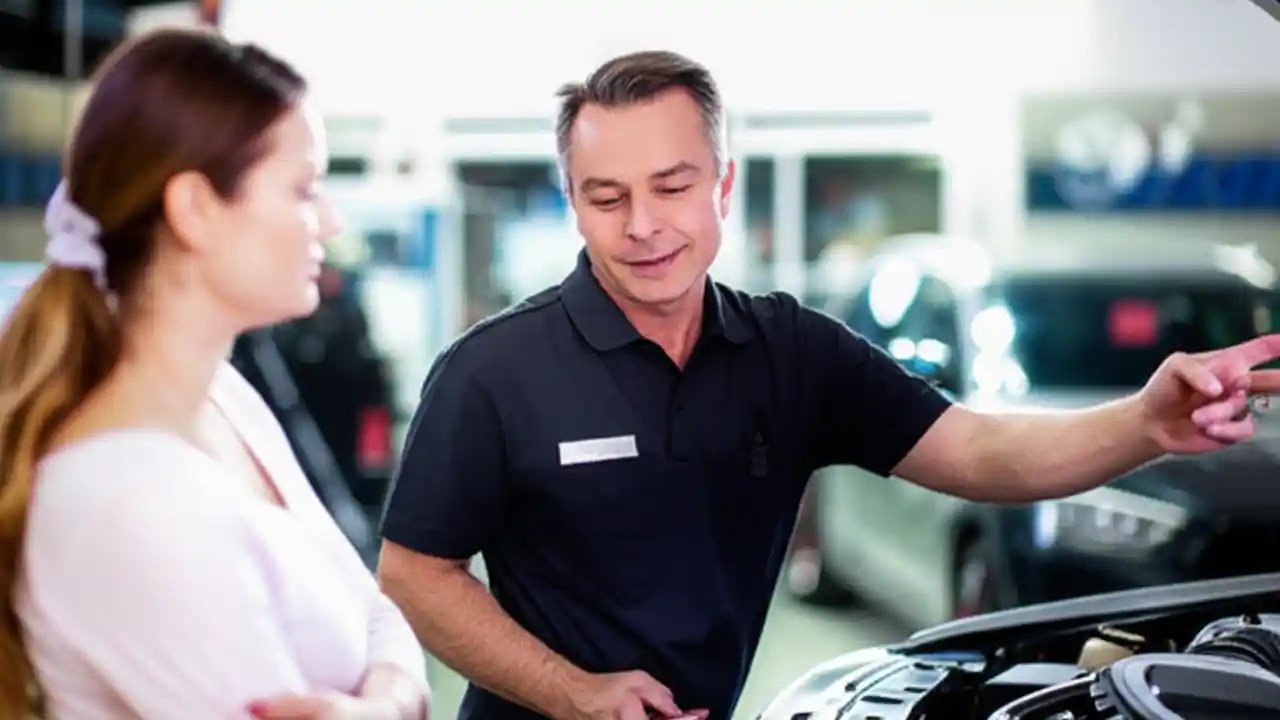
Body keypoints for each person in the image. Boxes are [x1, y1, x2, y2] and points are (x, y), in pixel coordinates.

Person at [375, 50, 1280, 720]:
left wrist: (1145, 424)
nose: (643, 226)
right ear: (573, 201)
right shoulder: (494, 371)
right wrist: (573, 694)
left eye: (673, 186)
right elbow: (415, 572)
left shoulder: (790, 354)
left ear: (723, 186)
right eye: (607, 198)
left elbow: (980, 449)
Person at [0, 28, 430, 720]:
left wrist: (384, 704)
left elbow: (380, 611)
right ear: (195, 208)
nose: (329, 218)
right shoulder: (127, 502)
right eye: (303, 188)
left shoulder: (225, 400)